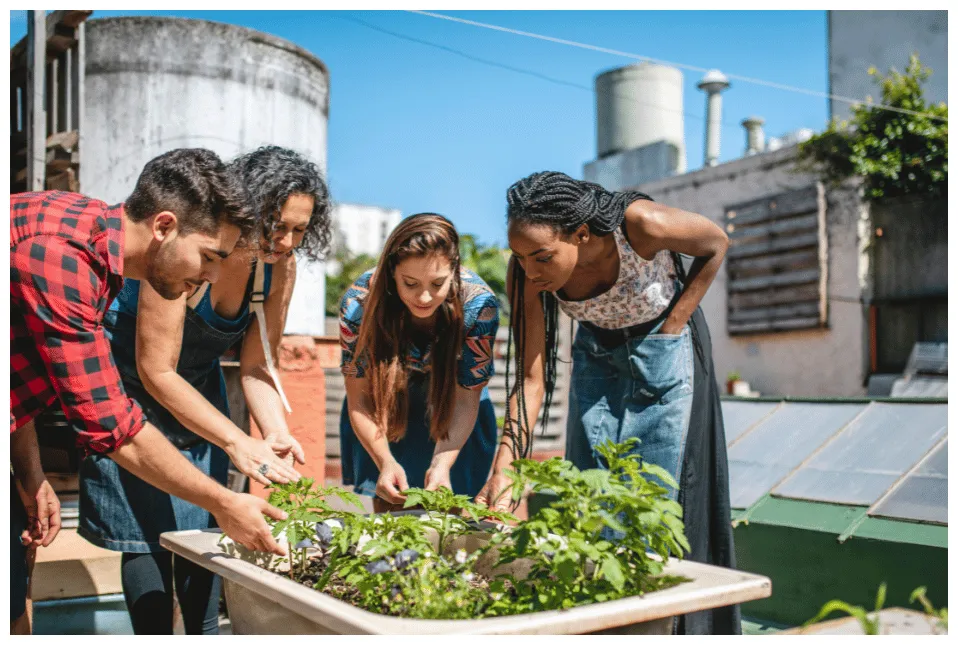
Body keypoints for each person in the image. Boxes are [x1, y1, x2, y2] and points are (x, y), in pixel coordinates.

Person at [10, 149, 290, 634]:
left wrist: (30, 472)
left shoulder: (95, 242)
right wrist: (224, 503)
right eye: (209, 256)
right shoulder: (61, 259)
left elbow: (13, 371)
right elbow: (113, 428)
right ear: (163, 225)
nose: (210, 276)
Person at [77, 146, 333, 634]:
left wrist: (273, 430)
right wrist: (237, 440)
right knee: (145, 533)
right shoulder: (185, 254)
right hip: (133, 392)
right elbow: (157, 370)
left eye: (300, 229)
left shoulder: (279, 267)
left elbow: (257, 365)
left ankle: (205, 634)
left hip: (201, 394)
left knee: (208, 524)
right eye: (276, 224)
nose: (285, 240)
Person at [475, 171, 739, 635]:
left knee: (665, 492)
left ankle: (676, 628)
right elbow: (532, 380)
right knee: (592, 490)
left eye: (541, 256)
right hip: (596, 355)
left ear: (580, 233)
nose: (530, 271)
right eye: (519, 257)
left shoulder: (643, 225)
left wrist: (675, 323)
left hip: (666, 350)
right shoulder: (528, 274)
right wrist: (504, 469)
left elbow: (716, 243)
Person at [339, 214, 500, 512]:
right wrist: (385, 461)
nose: (424, 296)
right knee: (393, 510)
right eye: (410, 283)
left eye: (438, 283)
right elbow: (359, 398)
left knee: (453, 515)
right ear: (391, 273)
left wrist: (441, 464)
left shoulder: (480, 307)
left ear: (454, 272)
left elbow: (466, 399)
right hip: (385, 405)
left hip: (455, 409)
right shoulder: (358, 305)